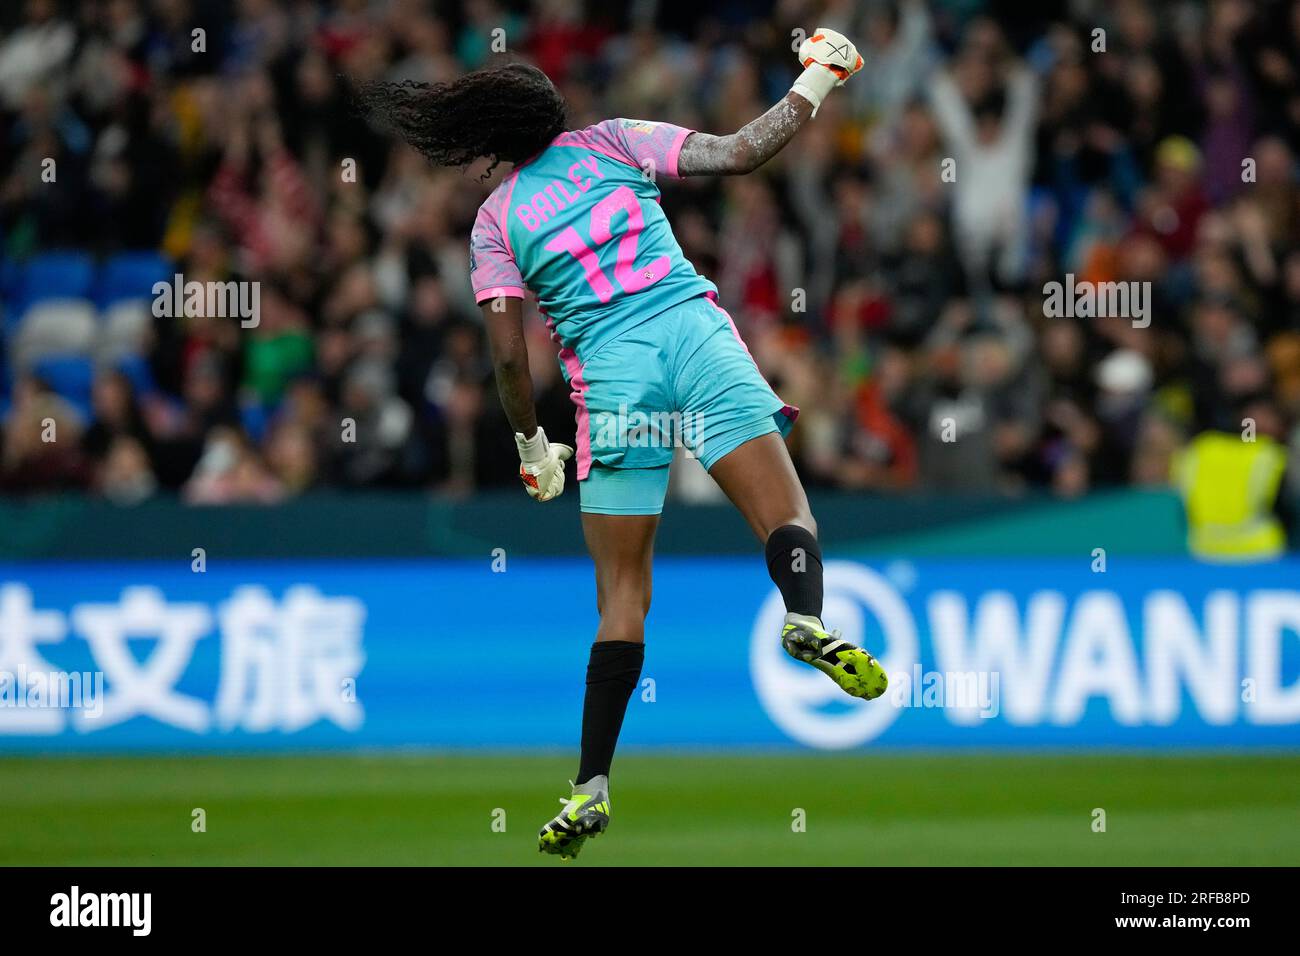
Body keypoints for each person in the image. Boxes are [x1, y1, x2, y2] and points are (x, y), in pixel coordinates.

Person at [357, 28, 887, 861]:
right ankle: (805, 617)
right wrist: (821, 76)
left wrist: (532, 444)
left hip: (612, 381)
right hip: (695, 336)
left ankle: (591, 785)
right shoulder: (611, 142)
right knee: (787, 514)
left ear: (491, 136)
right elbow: (742, 152)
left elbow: (504, 353)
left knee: (623, 593)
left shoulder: (495, 224)